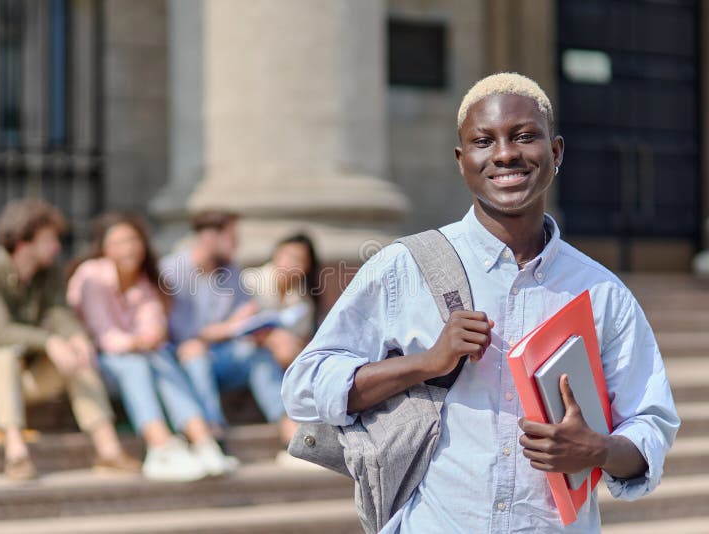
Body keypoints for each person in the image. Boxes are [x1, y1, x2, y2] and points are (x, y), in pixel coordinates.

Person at [282, 73, 680, 531]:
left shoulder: (603, 294)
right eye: (483, 141)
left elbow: (650, 424)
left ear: (556, 152)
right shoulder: (405, 266)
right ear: (462, 160)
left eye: (525, 136)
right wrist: (425, 363)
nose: (506, 153)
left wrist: (599, 450)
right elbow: (304, 387)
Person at [0, 198, 141, 481]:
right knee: (5, 357)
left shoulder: (50, 272)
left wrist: (76, 338)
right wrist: (49, 342)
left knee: (77, 357)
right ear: (24, 240)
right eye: (49, 239)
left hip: (28, 375)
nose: (57, 246)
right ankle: (16, 452)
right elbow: (0, 332)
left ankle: (109, 450)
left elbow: (61, 313)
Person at [67, 213, 239, 481]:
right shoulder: (92, 276)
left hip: (143, 358)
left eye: (134, 240)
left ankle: (203, 441)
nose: (129, 247)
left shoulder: (147, 282)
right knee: (136, 362)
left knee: (159, 356)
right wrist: (138, 342)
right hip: (103, 362)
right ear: (105, 248)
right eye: (121, 242)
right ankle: (160, 447)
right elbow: (105, 336)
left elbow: (153, 324)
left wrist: (150, 336)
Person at [159, 211, 298, 452]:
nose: (237, 244)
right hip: (182, 357)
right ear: (209, 237)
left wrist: (254, 327)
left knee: (257, 355)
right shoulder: (173, 270)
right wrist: (229, 327)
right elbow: (183, 334)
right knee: (195, 353)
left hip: (224, 355)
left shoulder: (231, 271)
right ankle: (213, 430)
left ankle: (287, 425)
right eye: (232, 237)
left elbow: (243, 318)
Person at [240, 233, 320, 368]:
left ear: (307, 266)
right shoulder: (250, 281)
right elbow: (236, 326)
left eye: (298, 259)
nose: (290, 263)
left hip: (284, 357)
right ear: (276, 255)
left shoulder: (304, 301)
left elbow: (301, 339)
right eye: (287, 256)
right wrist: (271, 338)